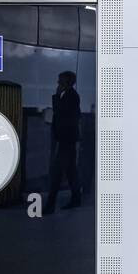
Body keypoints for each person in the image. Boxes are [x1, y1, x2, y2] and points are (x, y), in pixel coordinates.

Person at [47, 70, 82, 212]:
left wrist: (56, 96)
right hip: (68, 139)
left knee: (57, 172)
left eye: (60, 81)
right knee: (70, 171)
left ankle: (50, 205)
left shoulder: (70, 96)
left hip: (66, 140)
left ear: (67, 82)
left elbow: (59, 111)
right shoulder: (71, 96)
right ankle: (76, 199)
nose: (58, 83)